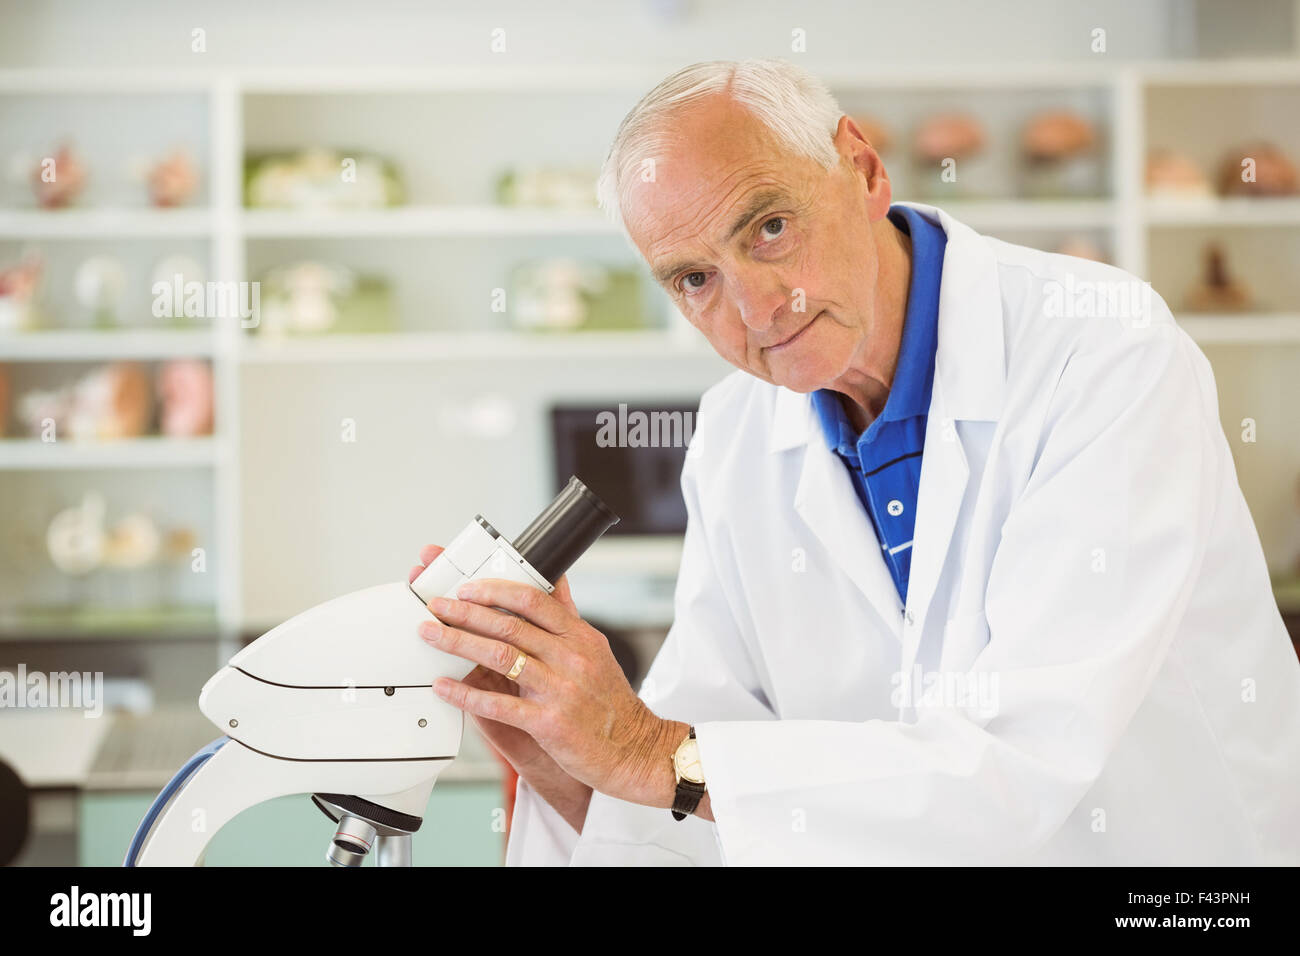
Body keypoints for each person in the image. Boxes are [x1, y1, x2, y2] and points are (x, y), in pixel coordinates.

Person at [408, 58, 1300, 865]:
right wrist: (567, 754)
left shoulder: (1100, 351)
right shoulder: (736, 432)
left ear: (863, 170)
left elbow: (1022, 762)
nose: (754, 309)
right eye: (694, 278)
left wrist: (640, 749)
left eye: (768, 227)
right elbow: (701, 763)